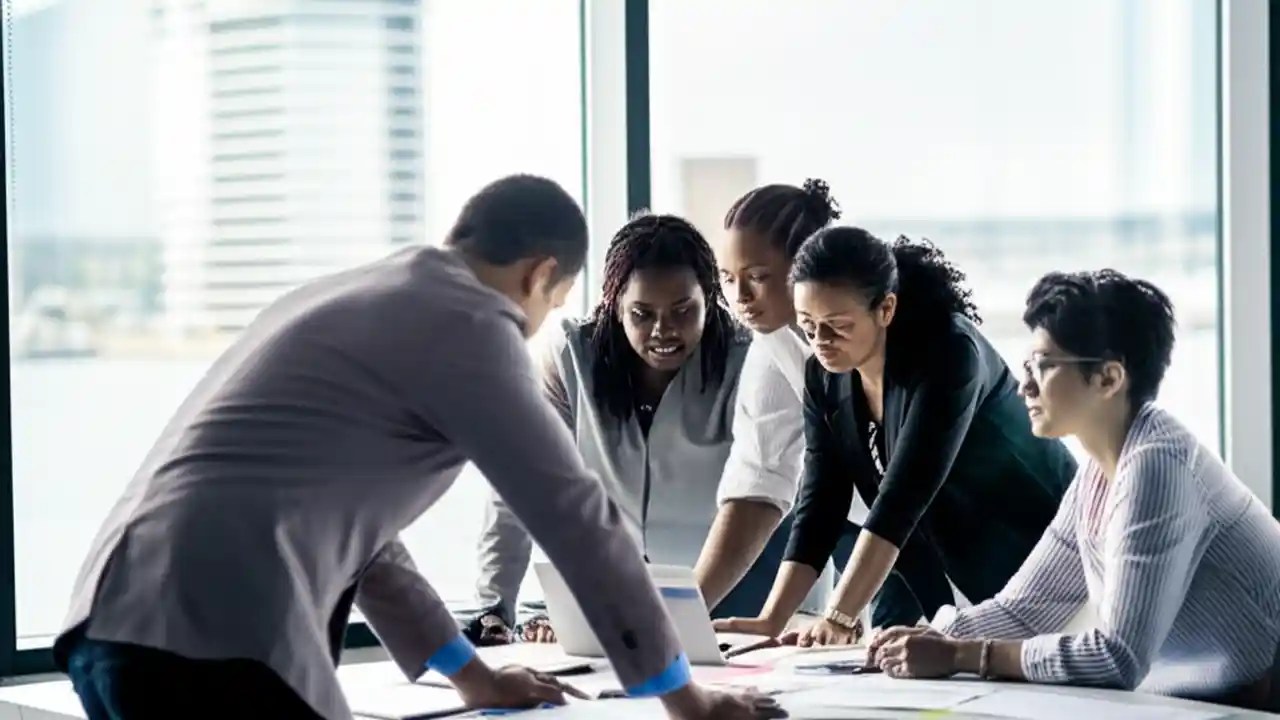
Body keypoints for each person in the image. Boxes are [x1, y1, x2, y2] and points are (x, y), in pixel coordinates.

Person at [53, 175, 784, 720]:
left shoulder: (350, 295)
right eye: (552, 302)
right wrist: (684, 699)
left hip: (113, 626)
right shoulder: (467, 323)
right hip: (214, 632)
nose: (536, 323)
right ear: (540, 277)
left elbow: (371, 545)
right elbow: (569, 513)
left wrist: (474, 677)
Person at [868, 270, 1280, 710]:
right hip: (1219, 698)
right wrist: (931, 637)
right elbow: (1026, 609)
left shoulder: (1158, 464)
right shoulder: (1098, 473)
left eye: (1044, 365)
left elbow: (1117, 656)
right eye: (1027, 366)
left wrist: (963, 655)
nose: (1025, 385)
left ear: (1108, 378)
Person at [718, 227, 1077, 647]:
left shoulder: (948, 351)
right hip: (924, 553)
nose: (820, 342)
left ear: (886, 308)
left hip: (1034, 545)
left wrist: (837, 614)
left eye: (837, 326)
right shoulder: (825, 374)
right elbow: (821, 502)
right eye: (808, 325)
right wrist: (771, 620)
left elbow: (902, 496)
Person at [469, 213, 786, 643]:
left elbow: (759, 495)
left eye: (682, 310)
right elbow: (521, 482)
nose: (663, 331)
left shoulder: (753, 359)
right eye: (642, 313)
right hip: (622, 606)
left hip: (746, 598)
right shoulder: (570, 358)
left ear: (710, 299)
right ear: (614, 305)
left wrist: (682, 614)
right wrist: (494, 606)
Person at [705, 181, 953, 632]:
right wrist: (684, 613)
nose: (738, 297)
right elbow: (763, 477)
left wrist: (839, 612)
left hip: (944, 523)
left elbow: (906, 491)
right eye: (726, 277)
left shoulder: (922, 342)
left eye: (757, 276)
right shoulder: (776, 342)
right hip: (871, 531)